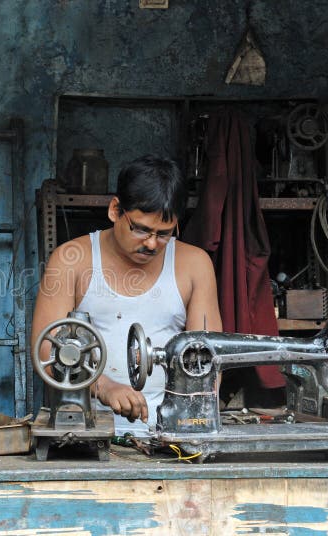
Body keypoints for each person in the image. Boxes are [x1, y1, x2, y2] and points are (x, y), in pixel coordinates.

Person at [31, 155, 222, 436]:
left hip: (172, 433)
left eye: (164, 233)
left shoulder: (195, 265)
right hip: (85, 430)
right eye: (141, 229)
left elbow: (208, 360)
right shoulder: (71, 260)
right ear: (115, 210)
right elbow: (46, 350)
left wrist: (191, 422)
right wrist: (104, 386)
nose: (151, 243)